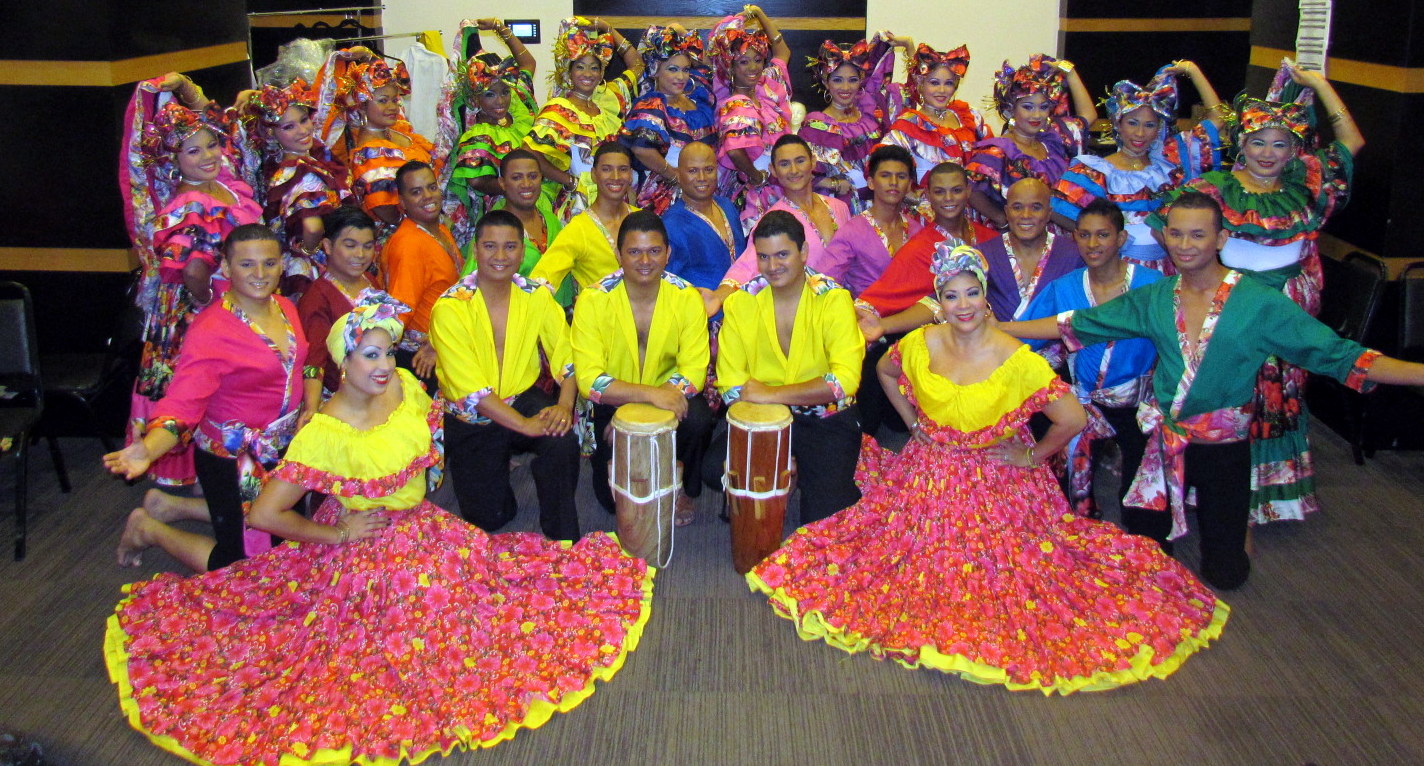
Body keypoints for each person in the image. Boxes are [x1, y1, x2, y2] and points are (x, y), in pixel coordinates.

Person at [104, 299, 653, 766]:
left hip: (422, 531)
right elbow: (265, 515)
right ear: (344, 362)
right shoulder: (325, 432)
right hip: (361, 546)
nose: (385, 363)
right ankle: (151, 525)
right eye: (371, 354)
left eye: (388, 351)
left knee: (498, 603)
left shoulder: (407, 387)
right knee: (272, 595)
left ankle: (164, 513)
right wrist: (340, 535)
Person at [745, 244, 1228, 694]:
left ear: (985, 294)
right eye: (950, 296)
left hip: (997, 479)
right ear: (939, 300)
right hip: (926, 469)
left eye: (971, 293)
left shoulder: (1014, 357)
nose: (962, 305)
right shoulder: (922, 340)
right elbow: (885, 372)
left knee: (1004, 576)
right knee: (891, 556)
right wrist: (914, 422)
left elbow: (1072, 418)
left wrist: (1031, 455)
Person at [999, 192, 1424, 590]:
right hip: (1161, 443)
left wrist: (1417, 373)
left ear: (1221, 237)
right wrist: (997, 330)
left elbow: (1340, 354)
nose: (1185, 245)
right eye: (1177, 233)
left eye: (1198, 234)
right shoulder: (1155, 297)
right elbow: (1073, 324)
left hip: (1224, 445)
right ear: (1164, 237)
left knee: (1226, 575)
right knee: (1146, 561)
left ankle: (1234, 533)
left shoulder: (1259, 302)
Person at [1148, 61, 1364, 527]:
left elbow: (1352, 143)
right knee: (1228, 399)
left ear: (1294, 149)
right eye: (1258, 141)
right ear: (1241, 144)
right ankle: (1212, 493)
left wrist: (1320, 85)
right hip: (1227, 315)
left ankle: (1270, 496)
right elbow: (1177, 240)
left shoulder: (1305, 185)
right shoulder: (1214, 189)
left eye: (1280, 143)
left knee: (1279, 399)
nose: (1268, 152)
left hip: (1285, 315)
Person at [104, 226, 308, 572]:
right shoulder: (212, 329)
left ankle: (174, 507)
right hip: (232, 458)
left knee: (293, 540)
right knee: (248, 567)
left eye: (269, 263)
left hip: (283, 447)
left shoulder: (286, 307)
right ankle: (149, 528)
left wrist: (308, 408)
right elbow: (183, 403)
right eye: (246, 265)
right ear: (226, 269)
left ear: (281, 265)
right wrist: (149, 449)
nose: (260, 274)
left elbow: (298, 367)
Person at [121, 74, 265, 487]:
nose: (208, 155)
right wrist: (213, 307)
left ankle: (236, 479)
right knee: (214, 396)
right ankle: (220, 484)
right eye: (193, 150)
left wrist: (190, 91)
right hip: (213, 310)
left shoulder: (223, 184)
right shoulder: (190, 204)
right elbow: (193, 270)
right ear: (173, 158)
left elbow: (222, 130)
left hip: (240, 297)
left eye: (211, 145)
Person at [706, 210, 865, 526]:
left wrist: (770, 394)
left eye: (782, 254)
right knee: (713, 470)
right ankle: (785, 470)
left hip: (827, 418)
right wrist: (774, 428)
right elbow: (731, 385)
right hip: (765, 421)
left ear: (803, 252)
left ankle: (799, 474)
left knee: (824, 525)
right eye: (764, 257)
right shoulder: (741, 301)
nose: (773, 266)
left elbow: (843, 382)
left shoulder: (834, 298)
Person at [429, 210, 581, 541]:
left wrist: (564, 406)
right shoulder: (450, 307)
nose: (500, 257)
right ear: (475, 249)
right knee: (493, 517)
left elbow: (567, 356)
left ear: (523, 249)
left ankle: (562, 534)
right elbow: (472, 391)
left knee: (562, 439)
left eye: (510, 247)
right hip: (473, 415)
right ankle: (497, 467)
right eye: (490, 246)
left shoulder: (536, 294)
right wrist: (526, 426)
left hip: (521, 397)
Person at [1020, 199, 1163, 518]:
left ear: (1121, 239)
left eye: (1102, 235)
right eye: (1084, 235)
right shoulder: (1064, 287)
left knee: (1145, 506)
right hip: (1083, 402)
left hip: (1137, 406)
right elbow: (1025, 336)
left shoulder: (1152, 286)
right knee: (1065, 498)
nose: (1092, 244)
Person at [572, 211, 715, 524]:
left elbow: (694, 371)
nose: (645, 261)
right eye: (634, 252)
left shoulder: (686, 296)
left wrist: (658, 399)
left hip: (671, 395)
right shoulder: (593, 300)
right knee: (612, 505)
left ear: (668, 253)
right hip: (613, 403)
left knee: (700, 419)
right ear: (618, 254)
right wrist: (639, 405)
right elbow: (590, 381)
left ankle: (682, 486)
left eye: (654, 251)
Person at [1052, 61, 1225, 270]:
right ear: (1118, 124)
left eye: (1149, 125)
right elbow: (1057, 212)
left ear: (1159, 129)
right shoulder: (1094, 172)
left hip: (1166, 272)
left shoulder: (1171, 167)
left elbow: (1218, 118)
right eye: (1132, 123)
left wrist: (1192, 70)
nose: (1140, 133)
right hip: (1114, 271)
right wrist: (1105, 241)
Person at [714, 135, 853, 308]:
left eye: (800, 161)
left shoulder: (840, 207)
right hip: (801, 313)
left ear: (813, 161)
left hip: (844, 307)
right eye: (784, 164)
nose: (794, 170)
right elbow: (747, 268)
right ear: (773, 170)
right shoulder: (774, 220)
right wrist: (719, 296)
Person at [526, 16, 643, 221]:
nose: (587, 73)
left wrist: (606, 27)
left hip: (617, 196)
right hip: (580, 201)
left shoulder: (609, 98)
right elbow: (530, 152)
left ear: (601, 73)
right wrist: (570, 181)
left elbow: (637, 65)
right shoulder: (559, 109)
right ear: (569, 72)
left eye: (594, 67)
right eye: (580, 66)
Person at [313, 47, 442, 228]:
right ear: (362, 105)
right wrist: (419, 228)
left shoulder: (398, 132)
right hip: (406, 233)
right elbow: (386, 211)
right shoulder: (369, 153)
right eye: (383, 101)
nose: (392, 107)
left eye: (395, 100)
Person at [856, 161, 996, 322]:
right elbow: (876, 301)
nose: (948, 198)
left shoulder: (991, 238)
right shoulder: (916, 250)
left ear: (968, 191)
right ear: (928, 195)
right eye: (939, 192)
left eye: (956, 191)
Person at [968, 54, 1098, 227]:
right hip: (1021, 243)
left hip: (1061, 241)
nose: (1036, 115)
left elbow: (1089, 115)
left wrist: (1070, 72)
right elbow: (970, 188)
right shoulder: (997, 151)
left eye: (1043, 107)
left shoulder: (1055, 140)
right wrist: (1001, 219)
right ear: (1010, 109)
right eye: (1028, 107)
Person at [250, 78, 351, 297]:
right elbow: (312, 227)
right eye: (289, 126)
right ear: (272, 135)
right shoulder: (303, 172)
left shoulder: (281, 168)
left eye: (304, 120)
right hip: (314, 267)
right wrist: (312, 251)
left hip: (289, 264)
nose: (302, 130)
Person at [447, 18, 540, 240]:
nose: (500, 101)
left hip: (536, 206)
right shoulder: (478, 135)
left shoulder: (520, 111)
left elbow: (528, 63)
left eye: (504, 92)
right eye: (490, 94)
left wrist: (501, 28)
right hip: (502, 215)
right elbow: (476, 180)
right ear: (474, 97)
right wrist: (514, 188)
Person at [799, 33, 910, 211]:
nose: (845, 88)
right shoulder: (816, 126)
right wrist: (835, 183)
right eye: (837, 80)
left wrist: (908, 46)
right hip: (840, 211)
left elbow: (911, 95)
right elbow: (801, 176)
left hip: (879, 210)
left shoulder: (872, 115)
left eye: (853, 80)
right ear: (826, 82)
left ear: (860, 81)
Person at [381, 160, 464, 385]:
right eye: (416, 192)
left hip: (445, 346)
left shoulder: (440, 229)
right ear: (402, 202)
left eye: (432, 187)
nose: (428, 196)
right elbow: (400, 312)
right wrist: (435, 343)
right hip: (422, 360)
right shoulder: (408, 244)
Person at [708, 6, 794, 224]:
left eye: (757, 60)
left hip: (780, 182)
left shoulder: (767, 87)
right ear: (731, 67)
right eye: (744, 62)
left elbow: (783, 52)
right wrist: (757, 178)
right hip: (752, 193)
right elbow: (735, 150)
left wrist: (760, 15)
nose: (753, 67)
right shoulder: (735, 104)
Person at [621, 24, 716, 214]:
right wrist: (673, 176)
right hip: (664, 199)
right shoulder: (652, 104)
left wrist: (682, 33)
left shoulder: (697, 99)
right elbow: (641, 148)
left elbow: (706, 67)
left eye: (685, 69)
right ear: (655, 70)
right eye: (673, 69)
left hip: (702, 194)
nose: (681, 77)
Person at [530, 141, 638, 308]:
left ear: (630, 175)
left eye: (622, 169)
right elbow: (542, 280)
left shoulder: (643, 220)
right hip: (597, 326)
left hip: (645, 324)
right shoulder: (579, 228)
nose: (615, 177)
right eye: (606, 169)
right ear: (594, 174)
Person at [875, 42, 992, 187]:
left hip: (970, 206)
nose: (942, 90)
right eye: (935, 83)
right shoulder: (908, 126)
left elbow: (990, 160)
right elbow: (883, 169)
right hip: (926, 208)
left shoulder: (971, 117)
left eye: (948, 83)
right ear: (920, 83)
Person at [298, 206, 379, 412]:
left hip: (377, 385)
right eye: (350, 245)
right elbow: (314, 362)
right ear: (327, 246)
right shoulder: (317, 297)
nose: (360, 255)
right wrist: (311, 410)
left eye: (367, 246)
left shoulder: (370, 281)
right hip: (342, 399)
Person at [824, 145, 925, 296]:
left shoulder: (917, 231)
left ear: (909, 185)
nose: (893, 182)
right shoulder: (853, 231)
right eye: (885, 175)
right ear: (871, 182)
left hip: (911, 317)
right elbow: (823, 280)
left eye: (901, 176)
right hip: (864, 316)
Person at [978, 178, 1085, 319]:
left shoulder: (1074, 255)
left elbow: (1082, 314)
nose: (1026, 215)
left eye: (1036, 208)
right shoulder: (982, 254)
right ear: (1007, 212)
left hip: (1056, 340)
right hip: (995, 340)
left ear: (1048, 213)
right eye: (1017, 207)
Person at [475, 148, 568, 304]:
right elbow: (474, 287)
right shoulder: (492, 230)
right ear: (502, 183)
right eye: (517, 178)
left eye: (533, 176)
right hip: (512, 323)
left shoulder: (551, 220)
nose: (526, 184)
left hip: (556, 321)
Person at [663, 142, 747, 298]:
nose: (702, 178)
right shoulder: (671, 225)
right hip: (703, 315)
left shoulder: (727, 206)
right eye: (693, 171)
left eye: (708, 170)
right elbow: (669, 287)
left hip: (742, 311)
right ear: (679, 174)